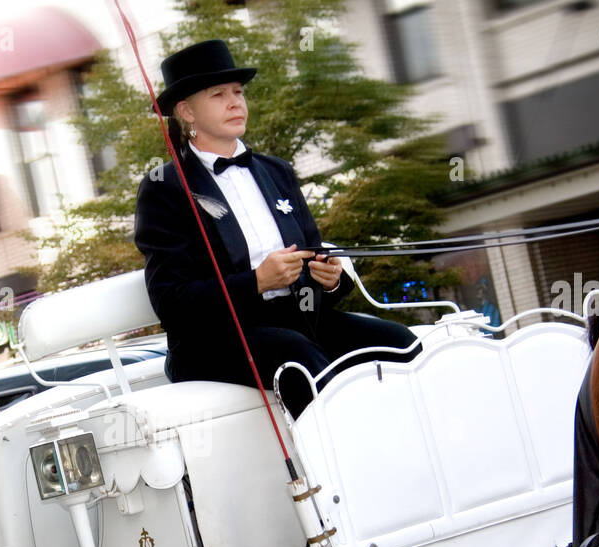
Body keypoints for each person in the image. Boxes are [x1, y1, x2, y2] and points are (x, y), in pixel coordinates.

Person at [134, 39, 420, 416]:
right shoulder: (163, 188)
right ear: (186, 111)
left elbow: (314, 267)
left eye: (238, 92)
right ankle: (343, 465)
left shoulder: (277, 171)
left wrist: (330, 280)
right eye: (218, 94)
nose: (236, 102)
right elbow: (172, 303)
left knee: (399, 342)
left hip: (297, 319)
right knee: (296, 355)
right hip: (214, 339)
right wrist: (256, 281)